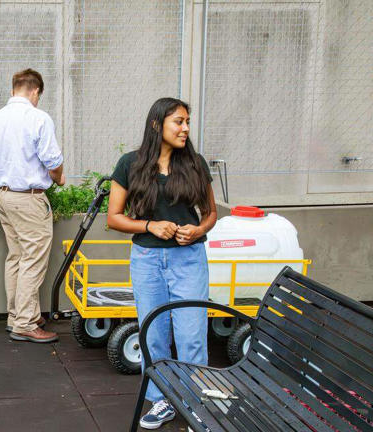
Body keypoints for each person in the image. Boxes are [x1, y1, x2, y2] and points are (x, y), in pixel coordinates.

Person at [106, 98, 216, 429]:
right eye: (178, 122)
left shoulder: (195, 163)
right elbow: (113, 218)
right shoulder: (130, 164)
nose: (185, 128)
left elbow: (211, 213)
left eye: (187, 122)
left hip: (188, 259)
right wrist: (149, 225)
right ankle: (162, 399)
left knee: (191, 334)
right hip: (147, 259)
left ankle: (195, 400)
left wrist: (198, 229)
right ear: (158, 125)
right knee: (154, 334)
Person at [0, 68, 65, 343]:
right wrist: (59, 178)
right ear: (35, 91)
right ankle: (26, 323)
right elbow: (53, 161)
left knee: (16, 256)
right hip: (28, 198)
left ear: (13, 89)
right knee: (32, 259)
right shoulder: (38, 118)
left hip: (4, 195)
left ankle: (15, 315)